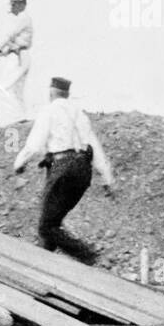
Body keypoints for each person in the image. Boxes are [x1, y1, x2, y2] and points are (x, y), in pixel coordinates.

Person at [13, 76, 113, 260]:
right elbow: (96, 148)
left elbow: (33, 145)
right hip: (83, 170)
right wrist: (107, 178)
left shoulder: (49, 111)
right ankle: (44, 261)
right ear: (67, 94)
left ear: (51, 92)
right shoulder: (80, 115)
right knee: (52, 222)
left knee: (46, 226)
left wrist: (18, 164)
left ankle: (86, 254)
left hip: (62, 168)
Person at [0, 0, 34, 111]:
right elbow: (12, 44)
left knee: (3, 87)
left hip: (19, 56)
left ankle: (16, 117)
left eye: (14, 4)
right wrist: (2, 53)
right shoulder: (22, 18)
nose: (12, 7)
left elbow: (8, 37)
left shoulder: (23, 17)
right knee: (16, 90)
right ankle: (22, 117)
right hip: (19, 55)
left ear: (21, 4)